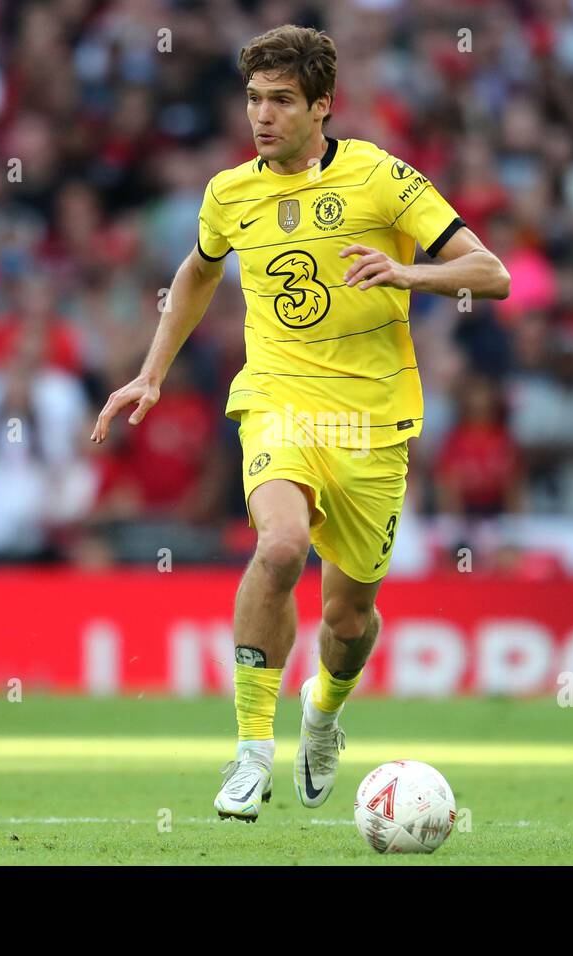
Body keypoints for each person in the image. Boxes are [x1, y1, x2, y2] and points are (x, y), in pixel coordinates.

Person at [91, 25, 509, 821]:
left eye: (281, 100)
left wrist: (408, 270)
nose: (262, 115)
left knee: (349, 619)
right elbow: (196, 274)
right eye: (253, 99)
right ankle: (251, 751)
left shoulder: (382, 179)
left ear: (322, 106)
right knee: (279, 545)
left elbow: (491, 273)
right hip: (278, 401)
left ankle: (323, 713)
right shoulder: (228, 193)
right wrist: (151, 372)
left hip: (373, 427)